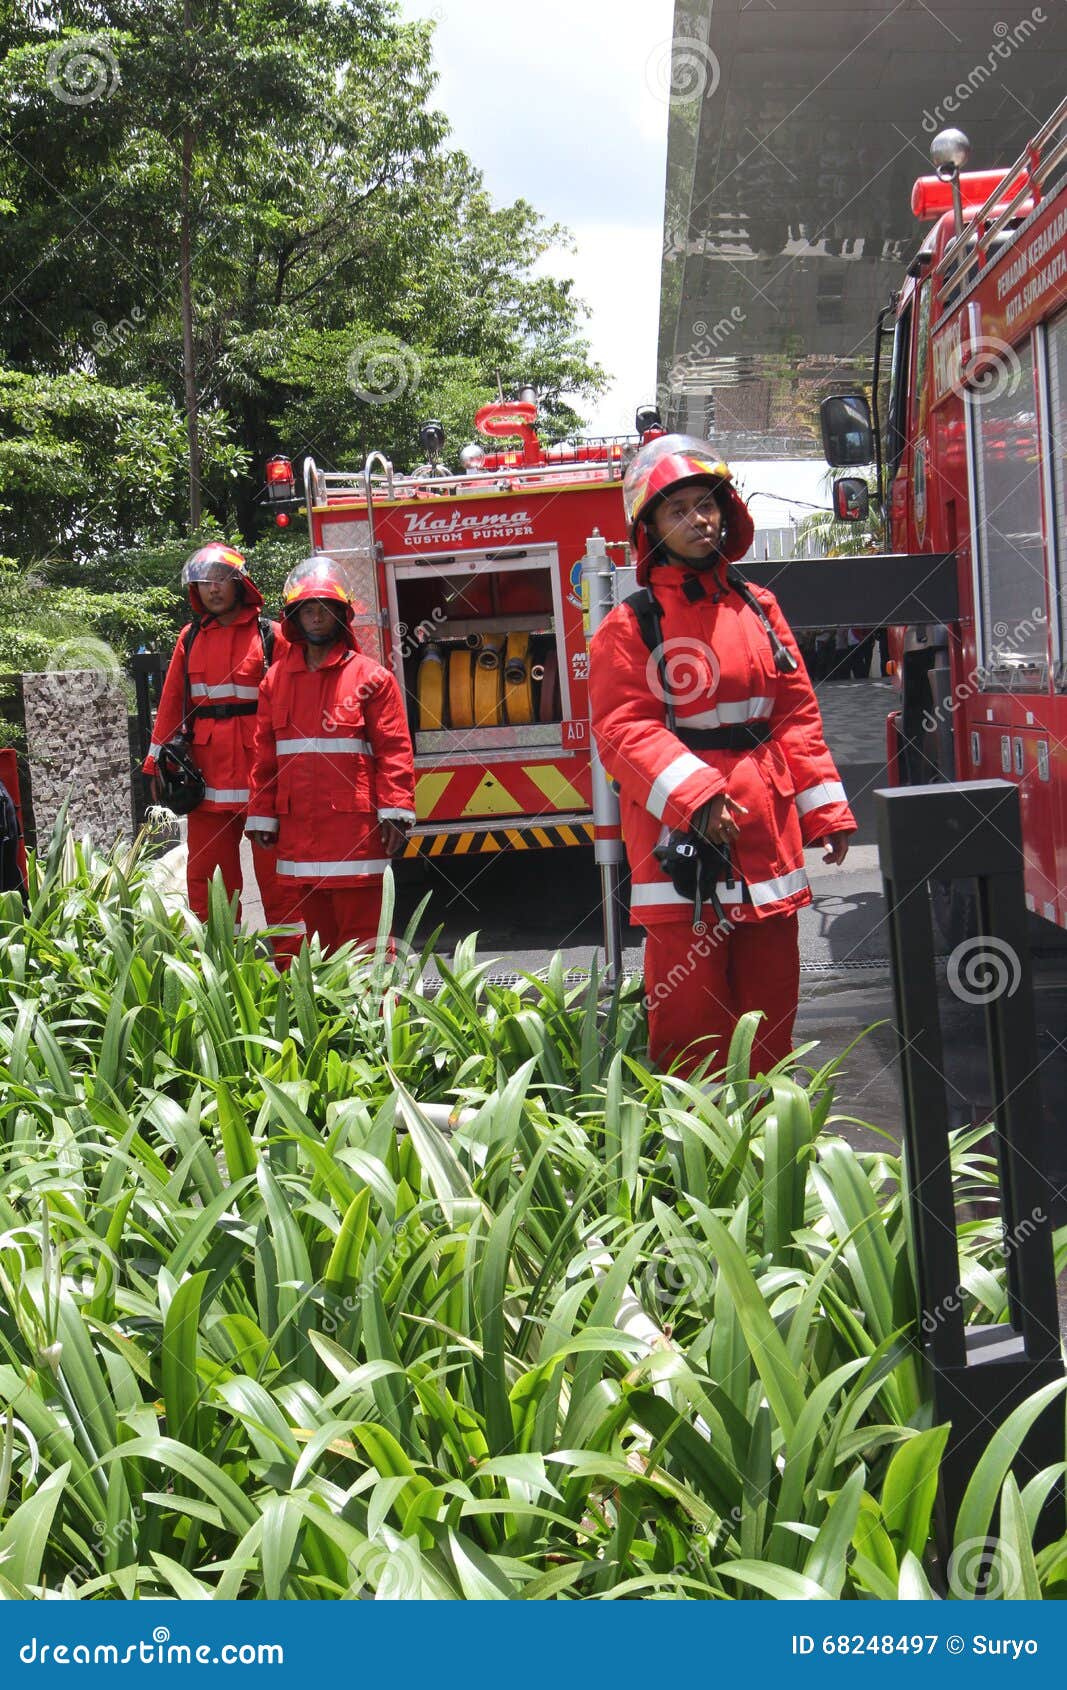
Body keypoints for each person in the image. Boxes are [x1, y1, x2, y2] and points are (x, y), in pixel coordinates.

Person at [589, 435, 856, 1079]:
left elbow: (794, 715)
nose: (698, 518)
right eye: (677, 508)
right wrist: (699, 798)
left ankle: (769, 1141)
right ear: (649, 525)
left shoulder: (761, 608)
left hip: (765, 832)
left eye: (707, 503)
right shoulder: (629, 625)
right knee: (691, 1013)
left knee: (770, 1006)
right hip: (677, 841)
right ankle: (700, 1157)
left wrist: (827, 810)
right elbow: (622, 729)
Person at [245, 554, 415, 967]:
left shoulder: (371, 677)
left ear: (340, 615)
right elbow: (265, 756)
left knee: (367, 948)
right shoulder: (274, 681)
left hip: (355, 838)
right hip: (300, 840)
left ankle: (378, 1027)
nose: (315, 616)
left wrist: (396, 811)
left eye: (323, 608)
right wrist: (261, 815)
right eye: (307, 609)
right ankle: (333, 1029)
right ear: (294, 618)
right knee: (319, 953)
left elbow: (394, 749)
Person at [143, 542, 284, 924]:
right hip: (205, 782)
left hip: (264, 779)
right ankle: (220, 963)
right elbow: (172, 702)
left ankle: (295, 964)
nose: (214, 588)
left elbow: (296, 702)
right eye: (205, 582)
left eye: (221, 579)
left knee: (280, 879)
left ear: (240, 583)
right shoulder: (190, 637)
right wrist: (154, 763)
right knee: (208, 880)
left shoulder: (272, 635)